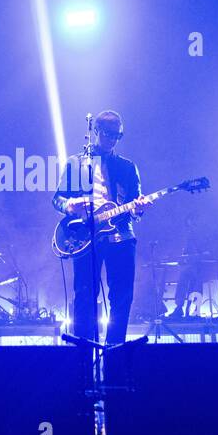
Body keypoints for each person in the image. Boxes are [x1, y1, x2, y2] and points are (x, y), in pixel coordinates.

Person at [53, 111, 148, 345]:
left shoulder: (127, 167)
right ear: (95, 132)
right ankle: (83, 357)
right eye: (108, 134)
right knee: (84, 295)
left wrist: (139, 208)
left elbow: (135, 204)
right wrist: (70, 205)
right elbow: (57, 199)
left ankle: (115, 351)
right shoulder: (76, 164)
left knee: (122, 297)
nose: (112, 140)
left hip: (121, 236)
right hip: (86, 238)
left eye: (118, 136)